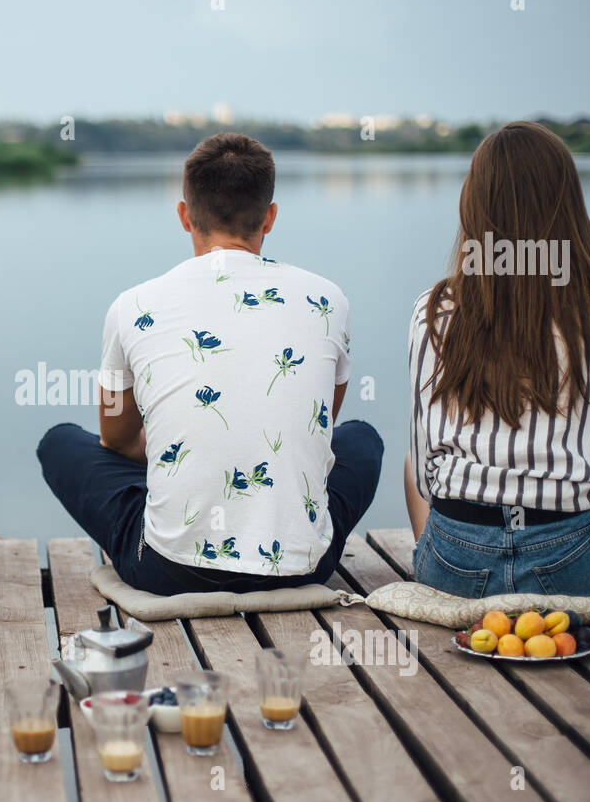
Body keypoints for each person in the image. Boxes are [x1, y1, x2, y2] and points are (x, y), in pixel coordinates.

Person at [38, 132, 382, 595]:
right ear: (271, 216)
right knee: (363, 439)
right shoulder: (328, 299)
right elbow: (317, 428)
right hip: (304, 567)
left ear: (184, 214)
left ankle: (185, 502)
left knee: (60, 442)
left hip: (169, 571)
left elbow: (114, 439)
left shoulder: (133, 304)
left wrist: (178, 449)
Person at [404, 120, 590, 598]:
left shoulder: (434, 310)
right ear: (569, 208)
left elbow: (424, 472)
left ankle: (449, 579)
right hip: (570, 564)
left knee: (409, 461)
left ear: (473, 205)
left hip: (456, 564)